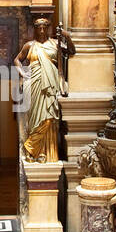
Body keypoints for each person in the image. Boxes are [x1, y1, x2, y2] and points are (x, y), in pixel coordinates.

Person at [14, 17, 75, 162]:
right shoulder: (29, 45)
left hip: (51, 84)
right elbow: (17, 60)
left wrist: (67, 36)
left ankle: (35, 149)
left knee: (48, 116)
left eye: (44, 27)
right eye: (38, 28)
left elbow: (72, 51)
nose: (41, 30)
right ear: (35, 29)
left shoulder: (55, 43)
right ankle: (35, 153)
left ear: (48, 28)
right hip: (33, 83)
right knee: (35, 117)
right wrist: (22, 72)